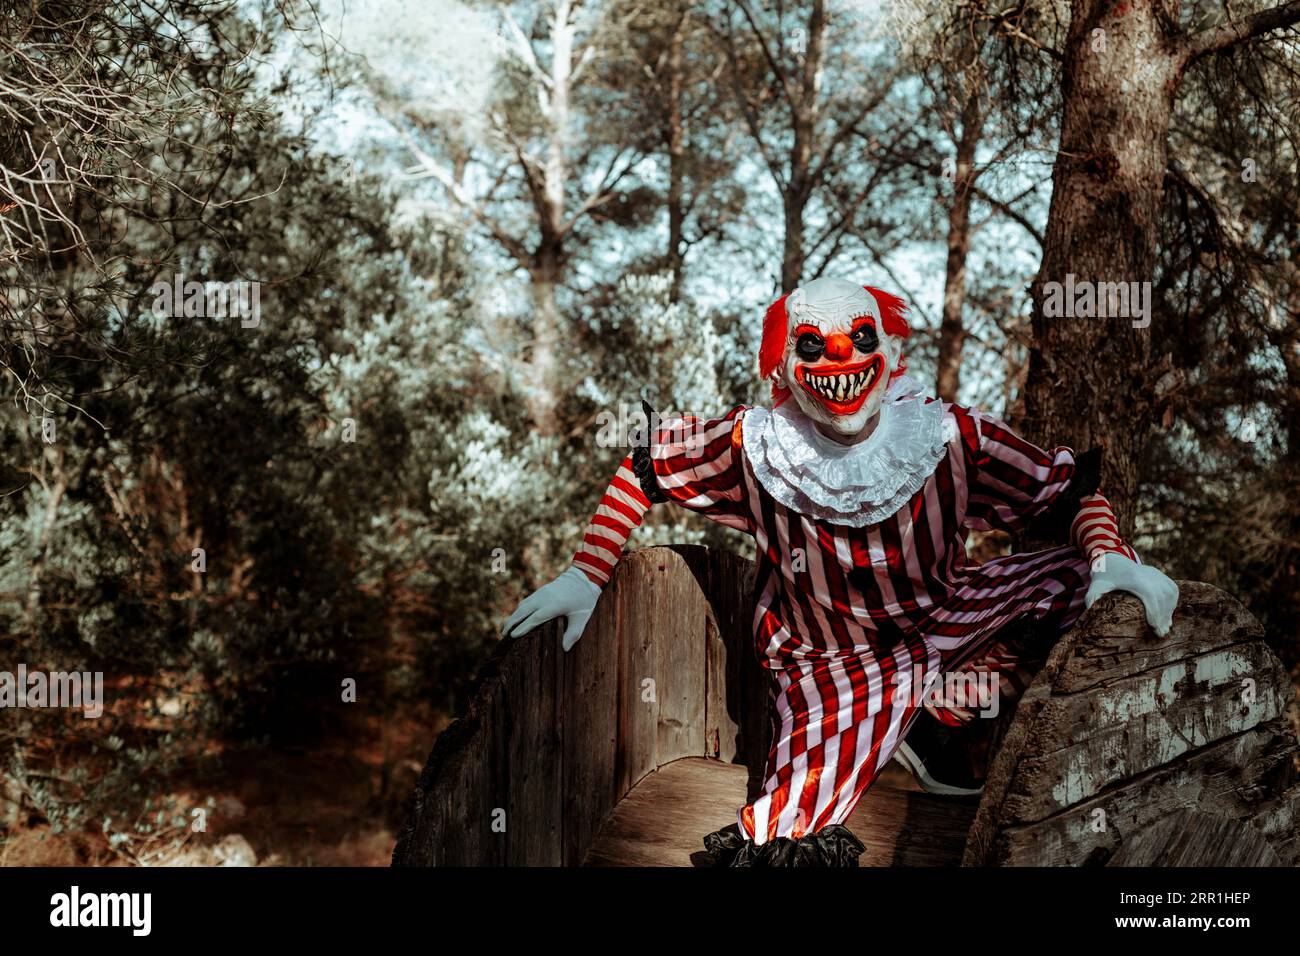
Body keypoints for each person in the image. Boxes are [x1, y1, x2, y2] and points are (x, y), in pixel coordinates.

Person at [503, 277, 1179, 866]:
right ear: (783, 367)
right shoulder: (755, 448)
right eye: (812, 345)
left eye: (859, 337)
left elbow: (1065, 494)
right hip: (830, 665)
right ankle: (913, 724)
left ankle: (941, 721)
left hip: (946, 622)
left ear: (888, 351)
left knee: (1074, 582)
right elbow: (651, 464)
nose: (840, 359)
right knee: (784, 840)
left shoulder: (951, 438)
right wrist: (585, 574)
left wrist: (1110, 555)